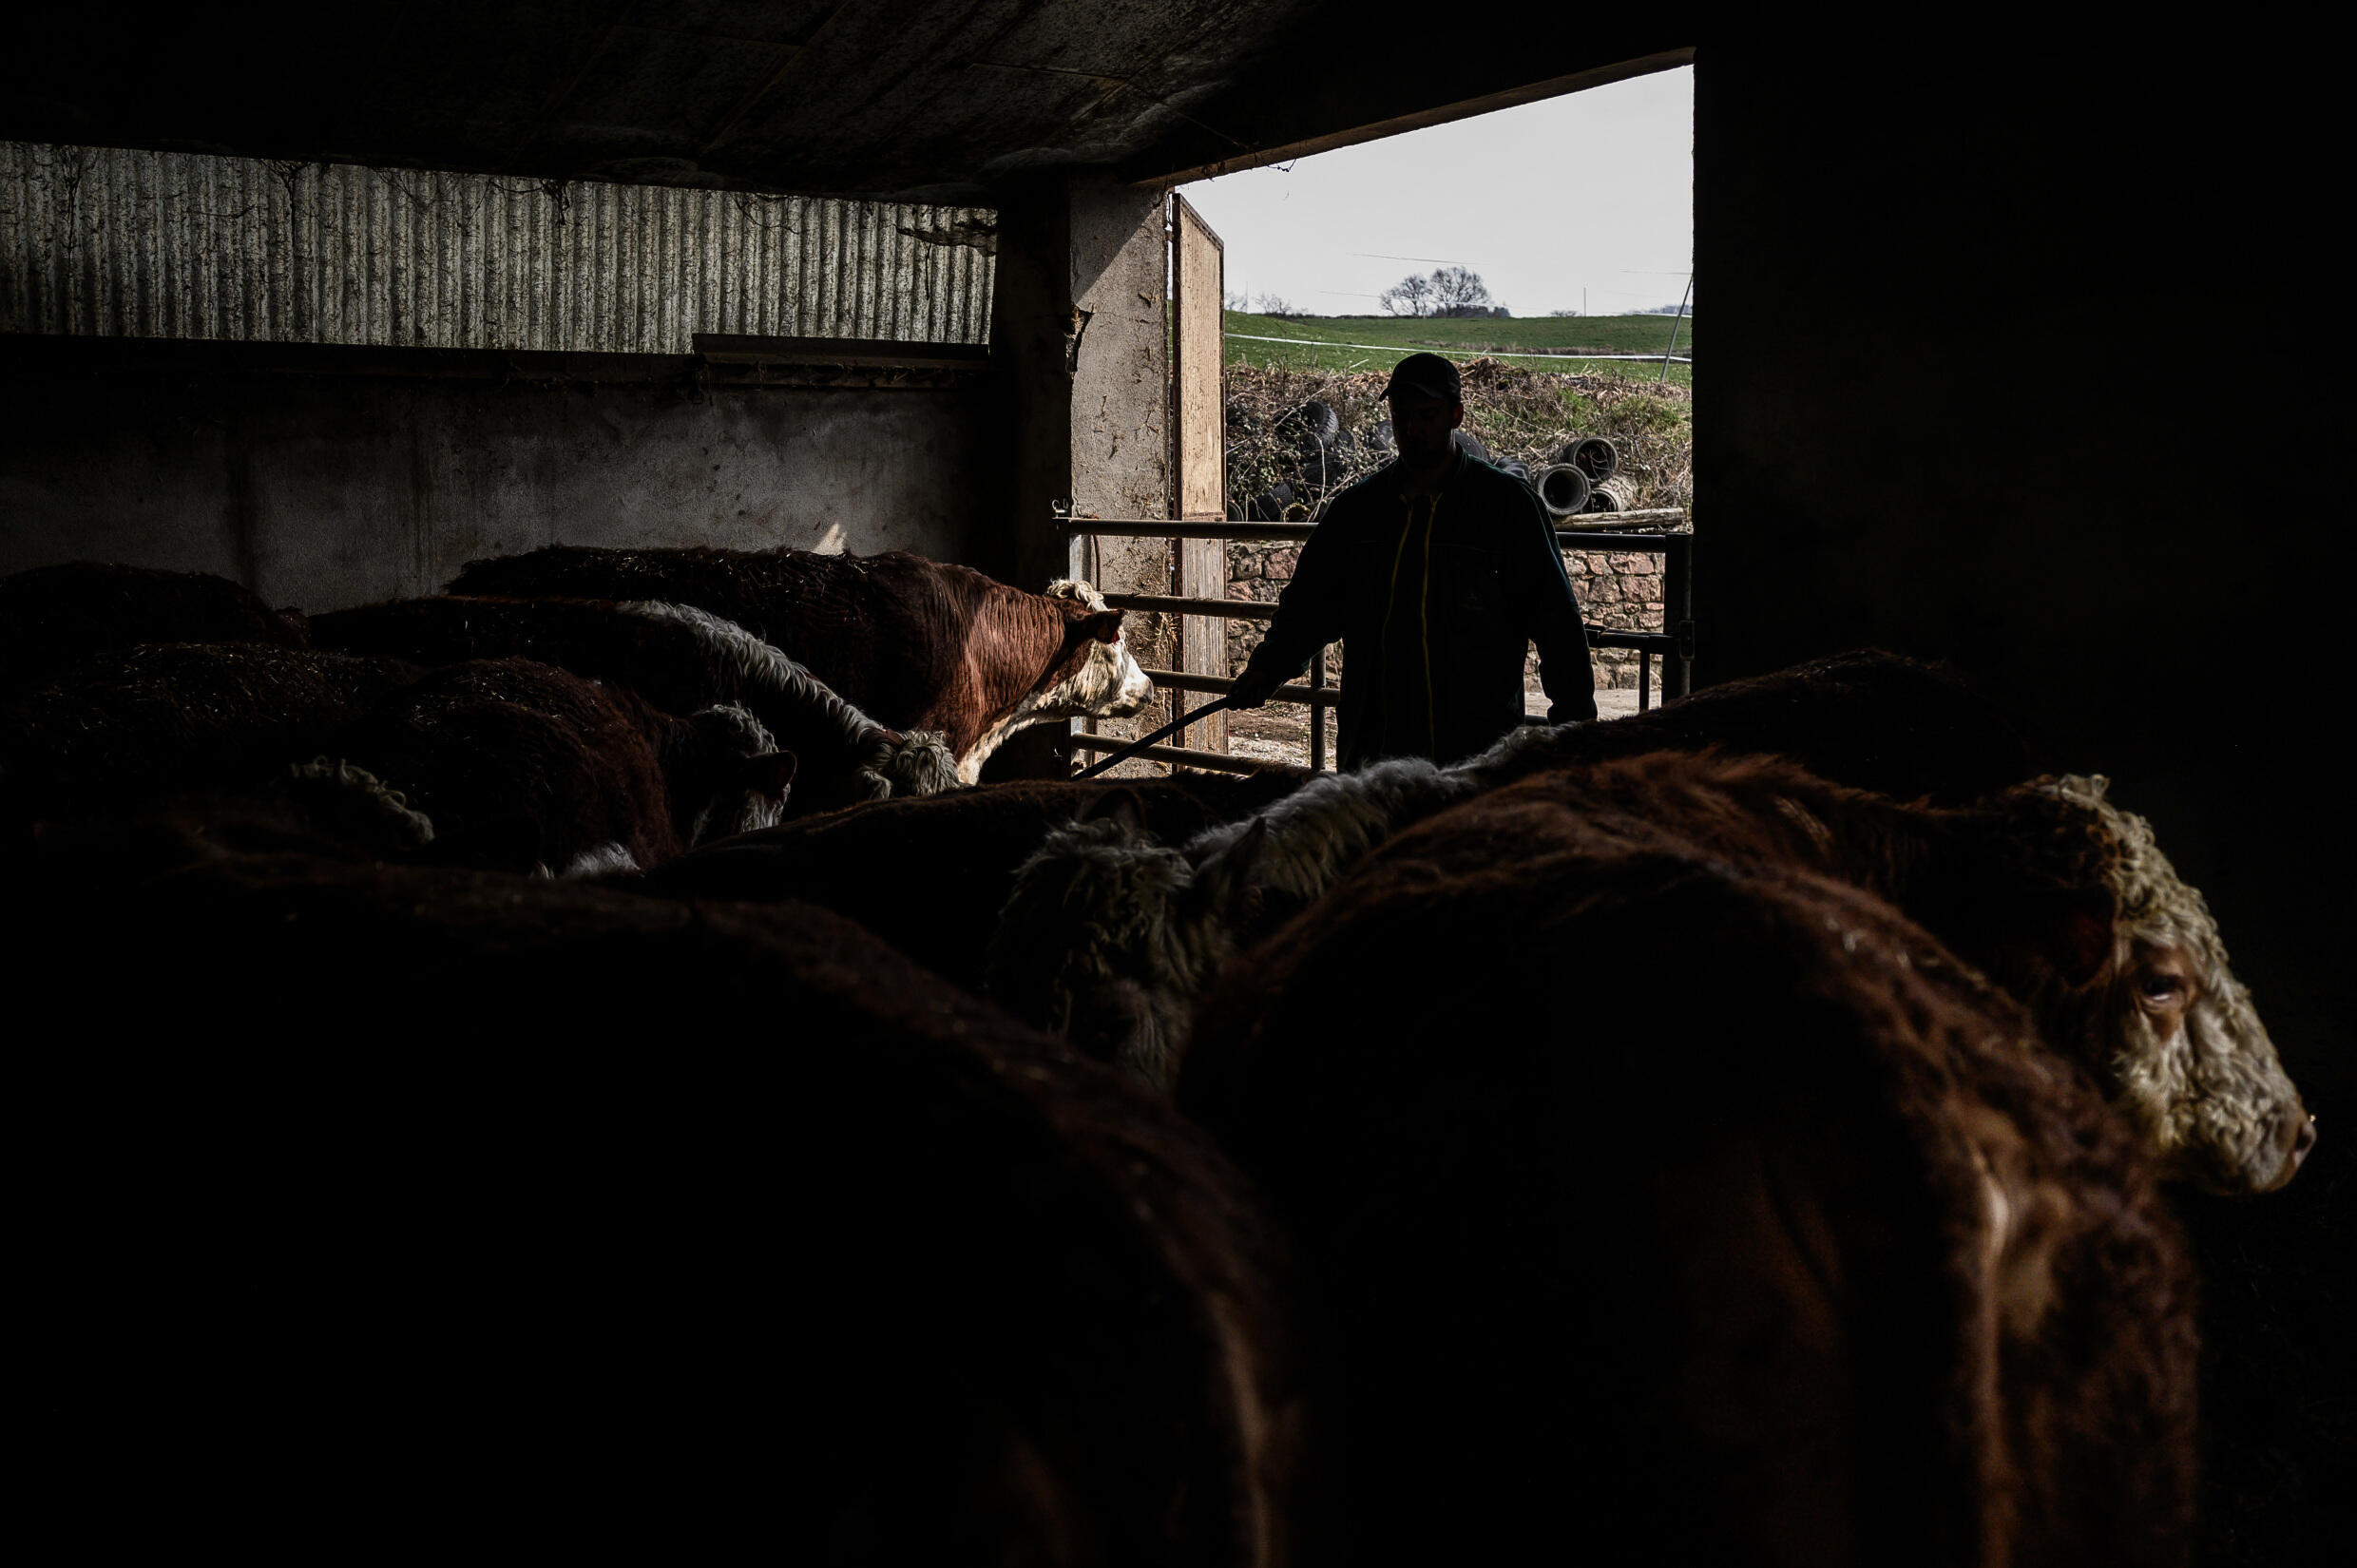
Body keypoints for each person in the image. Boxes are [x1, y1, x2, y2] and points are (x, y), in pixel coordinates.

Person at [1228, 353, 1598, 768]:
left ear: (1455, 416)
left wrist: (1574, 723)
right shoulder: (1356, 511)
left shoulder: (1507, 508)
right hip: (1375, 745)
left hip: (1475, 750)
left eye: (1426, 415)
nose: (1411, 429)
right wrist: (1266, 670)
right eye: (1401, 415)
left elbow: (1556, 623)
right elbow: (1309, 607)